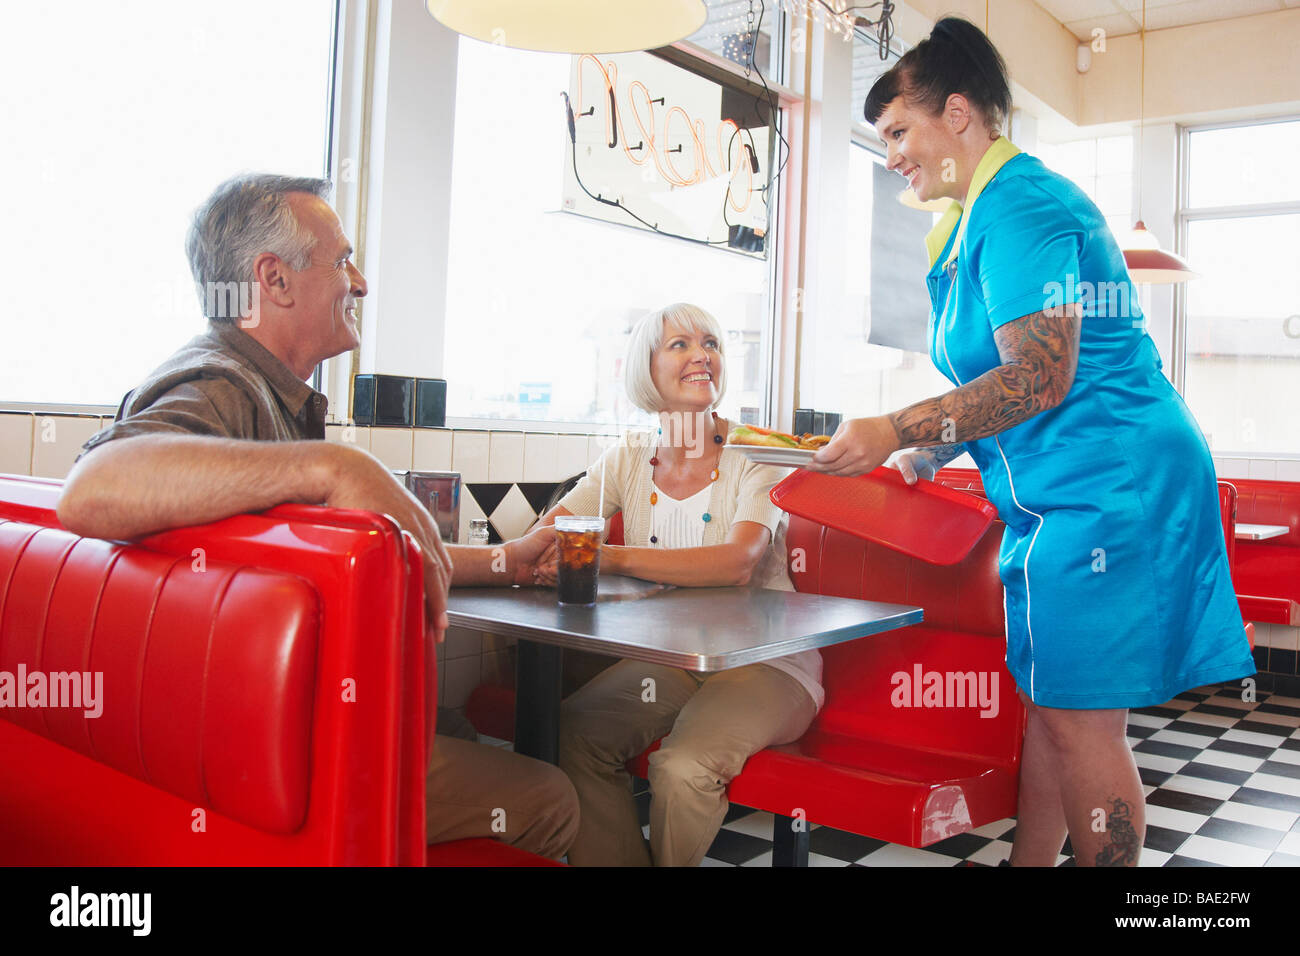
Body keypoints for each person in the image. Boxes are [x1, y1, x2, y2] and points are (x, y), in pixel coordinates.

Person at [808, 17, 1254, 866]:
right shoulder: (973, 218)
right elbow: (1002, 374)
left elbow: (1035, 378)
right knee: (1054, 703)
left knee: (1084, 723)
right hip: (1059, 496)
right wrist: (934, 449)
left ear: (960, 112)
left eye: (900, 131)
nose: (893, 155)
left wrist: (892, 428)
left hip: (1111, 485)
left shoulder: (1020, 203)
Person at [57, 173, 578, 860]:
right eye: (342, 261)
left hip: (279, 735)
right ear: (273, 280)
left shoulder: (270, 390)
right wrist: (336, 466)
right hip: (264, 760)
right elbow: (91, 489)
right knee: (552, 796)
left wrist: (515, 562)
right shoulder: (220, 382)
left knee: (455, 722)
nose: (359, 282)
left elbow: (354, 555)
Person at [532, 303, 821, 867]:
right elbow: (551, 532)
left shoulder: (757, 452)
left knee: (683, 766)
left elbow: (738, 561)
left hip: (766, 663)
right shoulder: (627, 460)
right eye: (680, 344)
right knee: (575, 732)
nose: (701, 355)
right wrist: (502, 558)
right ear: (646, 368)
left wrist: (606, 559)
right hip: (675, 662)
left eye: (709, 342)